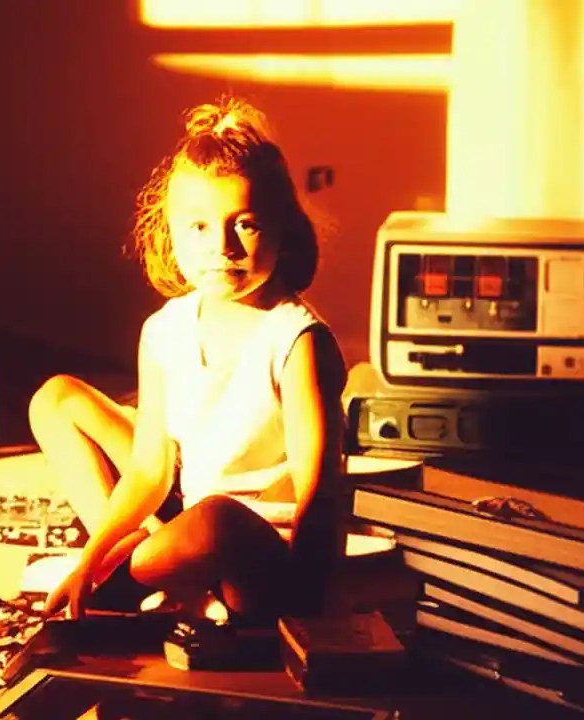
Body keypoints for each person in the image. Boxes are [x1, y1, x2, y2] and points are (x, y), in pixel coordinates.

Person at [31, 95, 347, 628]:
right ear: (170, 232)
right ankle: (142, 567)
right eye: (199, 227)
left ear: (283, 230)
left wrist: (311, 610)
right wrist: (89, 558)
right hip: (186, 509)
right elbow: (150, 470)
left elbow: (320, 490)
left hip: (257, 544)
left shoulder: (297, 338)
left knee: (217, 521)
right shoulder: (164, 330)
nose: (222, 247)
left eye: (244, 224)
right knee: (56, 398)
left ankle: (142, 580)